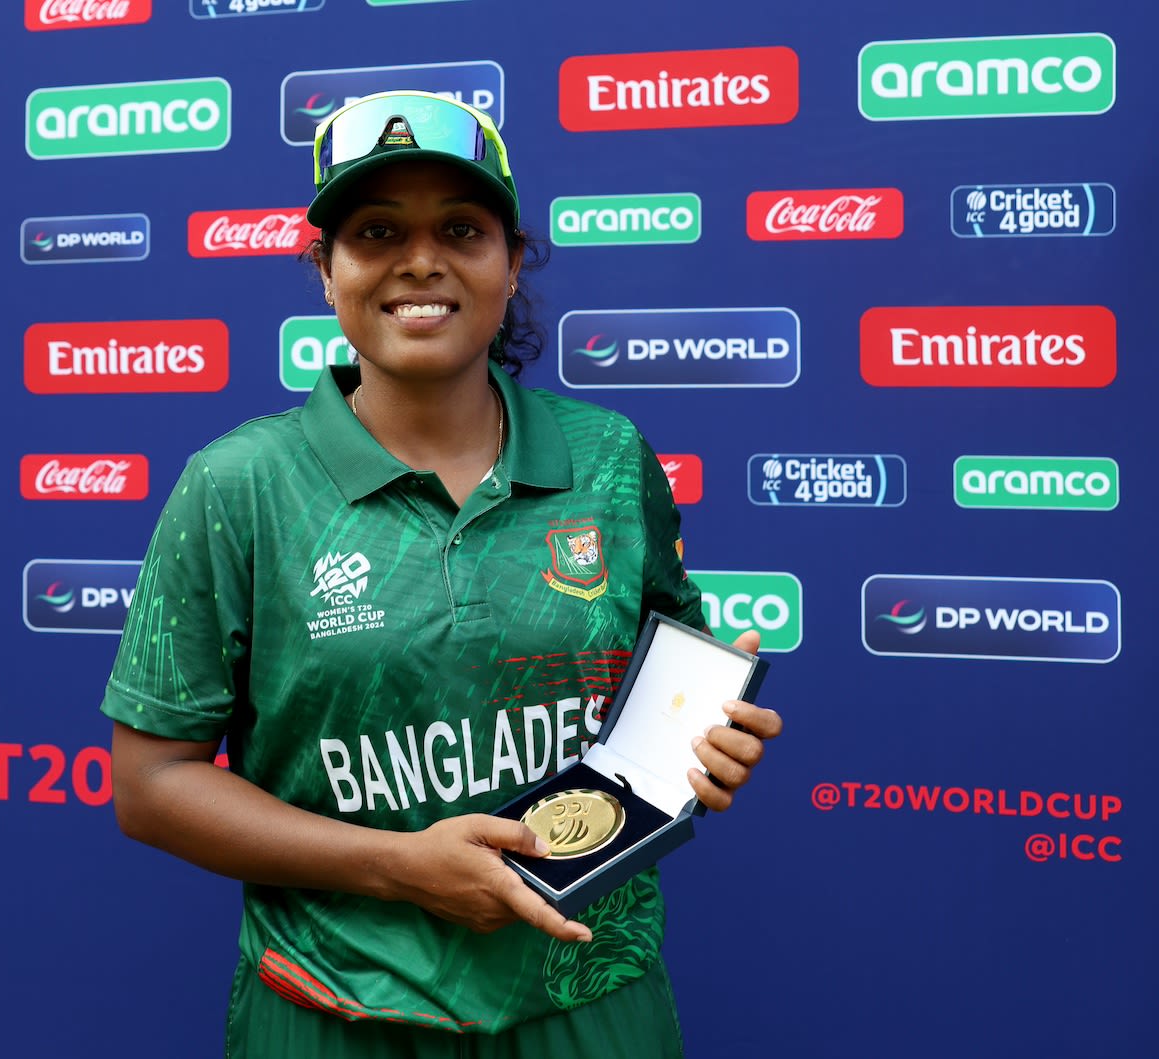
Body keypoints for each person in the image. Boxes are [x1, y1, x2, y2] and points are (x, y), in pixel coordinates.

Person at [102, 90, 783, 1059]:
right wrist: (397, 867)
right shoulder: (237, 487)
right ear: (324, 269)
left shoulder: (608, 459)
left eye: (460, 229)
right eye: (376, 231)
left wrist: (707, 743)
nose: (419, 260)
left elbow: (667, 699)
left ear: (511, 264)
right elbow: (150, 784)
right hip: (338, 1012)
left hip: (591, 1002)